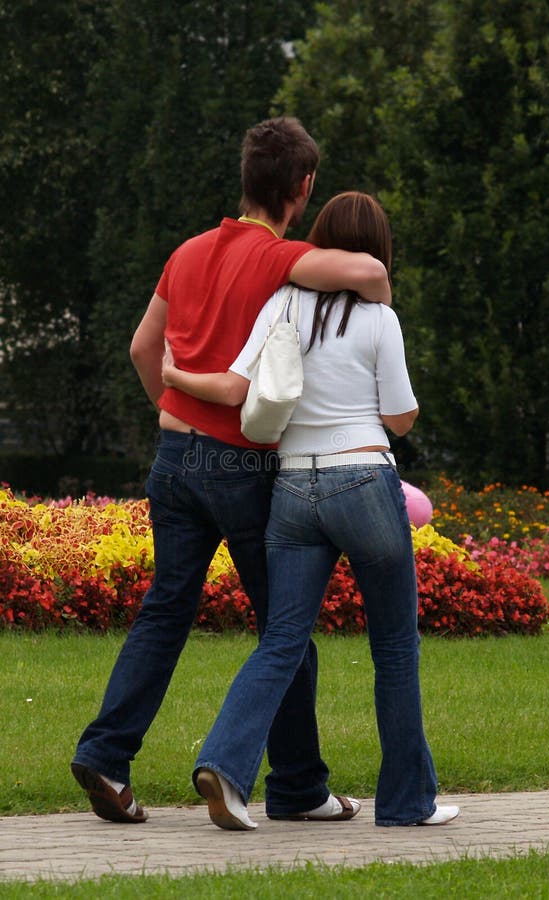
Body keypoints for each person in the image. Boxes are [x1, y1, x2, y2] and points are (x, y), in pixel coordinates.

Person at [70, 119, 391, 825]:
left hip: (172, 457)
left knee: (165, 611)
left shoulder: (185, 253)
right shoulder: (282, 258)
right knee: (285, 627)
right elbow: (367, 273)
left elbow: (140, 347)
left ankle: (105, 754)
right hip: (240, 466)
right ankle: (300, 786)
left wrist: (172, 410)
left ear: (245, 180)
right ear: (302, 187)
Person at [161, 191, 460, 829]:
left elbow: (240, 387)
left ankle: (225, 764)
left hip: (293, 491)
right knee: (395, 650)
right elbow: (401, 416)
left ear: (320, 239)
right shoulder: (380, 317)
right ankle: (408, 803)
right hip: (362, 480)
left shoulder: (281, 303)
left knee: (281, 641)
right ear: (377, 248)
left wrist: (176, 378)